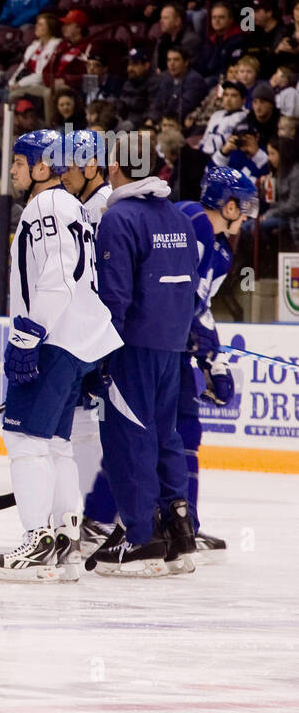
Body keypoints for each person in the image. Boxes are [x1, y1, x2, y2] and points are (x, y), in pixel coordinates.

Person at [0, 129, 121, 583]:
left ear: (42, 167)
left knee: (25, 441)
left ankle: (38, 539)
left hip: (55, 340)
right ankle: (65, 535)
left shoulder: (46, 205)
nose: (13, 170)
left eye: (19, 162)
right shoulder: (70, 206)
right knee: (56, 443)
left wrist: (28, 335)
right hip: (76, 341)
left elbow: (59, 279)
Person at [91, 137, 201, 577]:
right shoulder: (178, 215)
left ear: (118, 167)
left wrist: (99, 354)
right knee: (164, 433)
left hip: (131, 347)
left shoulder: (119, 218)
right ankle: (178, 528)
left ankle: (142, 538)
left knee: (130, 436)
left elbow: (114, 294)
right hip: (170, 344)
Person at [177, 167, 258, 564]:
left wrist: (215, 359)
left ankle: (182, 522)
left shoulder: (222, 251)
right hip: (155, 348)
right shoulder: (189, 223)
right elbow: (181, 298)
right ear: (227, 204)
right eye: (243, 207)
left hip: (176, 350)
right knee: (164, 435)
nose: (246, 216)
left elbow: (200, 307)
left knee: (187, 431)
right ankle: (138, 521)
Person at [58, 130, 115, 551]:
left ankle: (96, 515)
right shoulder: (85, 205)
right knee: (82, 422)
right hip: (91, 334)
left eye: (70, 168)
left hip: (98, 336)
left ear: (91, 167)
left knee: (91, 427)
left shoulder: (104, 208)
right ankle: (88, 513)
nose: (63, 175)